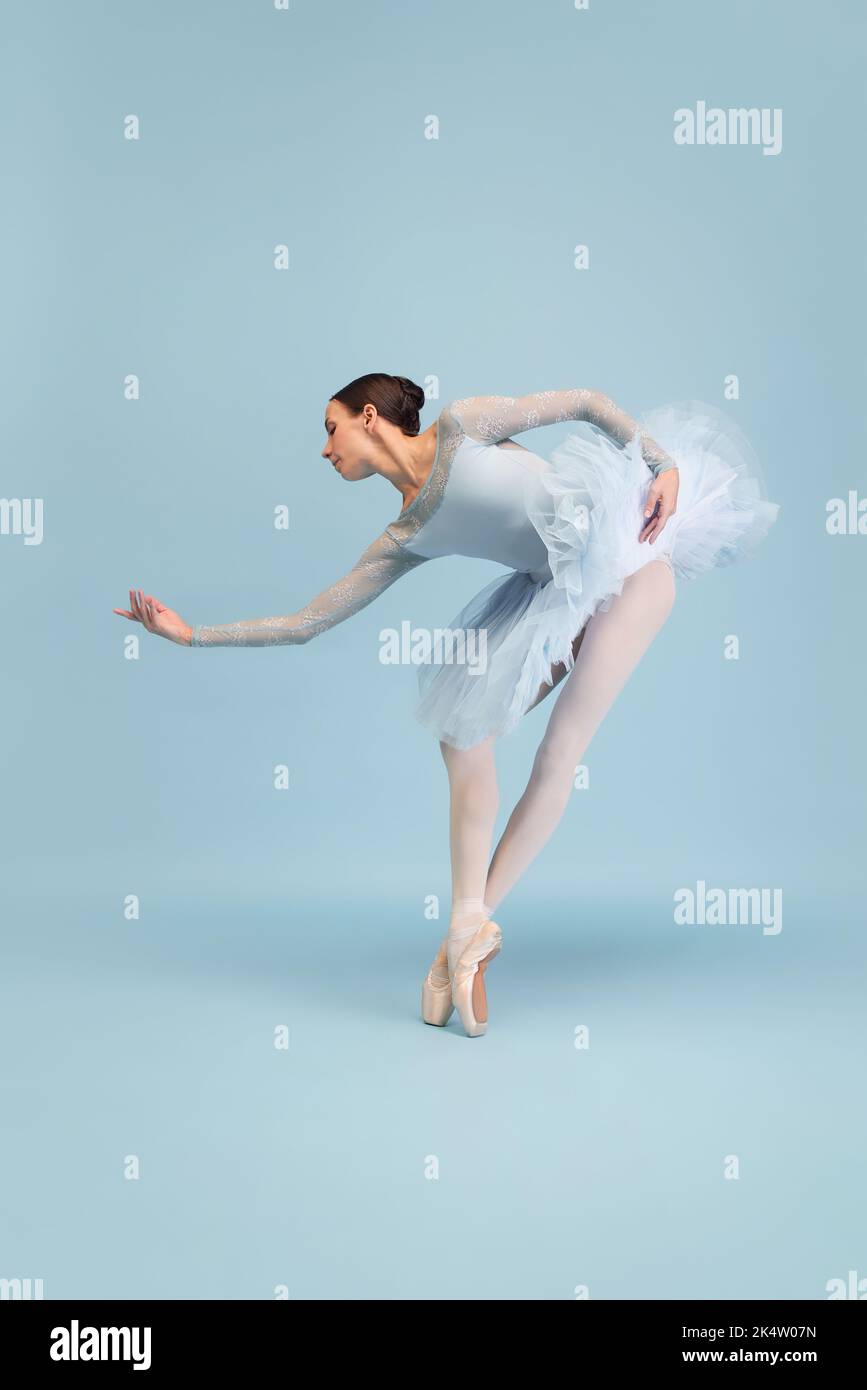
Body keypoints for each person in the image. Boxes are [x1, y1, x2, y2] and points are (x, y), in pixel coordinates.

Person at [114, 373, 780, 1038]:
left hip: (632, 562)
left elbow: (581, 401)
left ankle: (455, 944)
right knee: (461, 738)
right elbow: (307, 621)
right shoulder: (404, 534)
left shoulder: (464, 427)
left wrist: (659, 463)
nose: (324, 450)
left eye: (330, 428)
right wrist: (192, 634)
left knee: (557, 754)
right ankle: (468, 927)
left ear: (368, 417)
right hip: (555, 592)